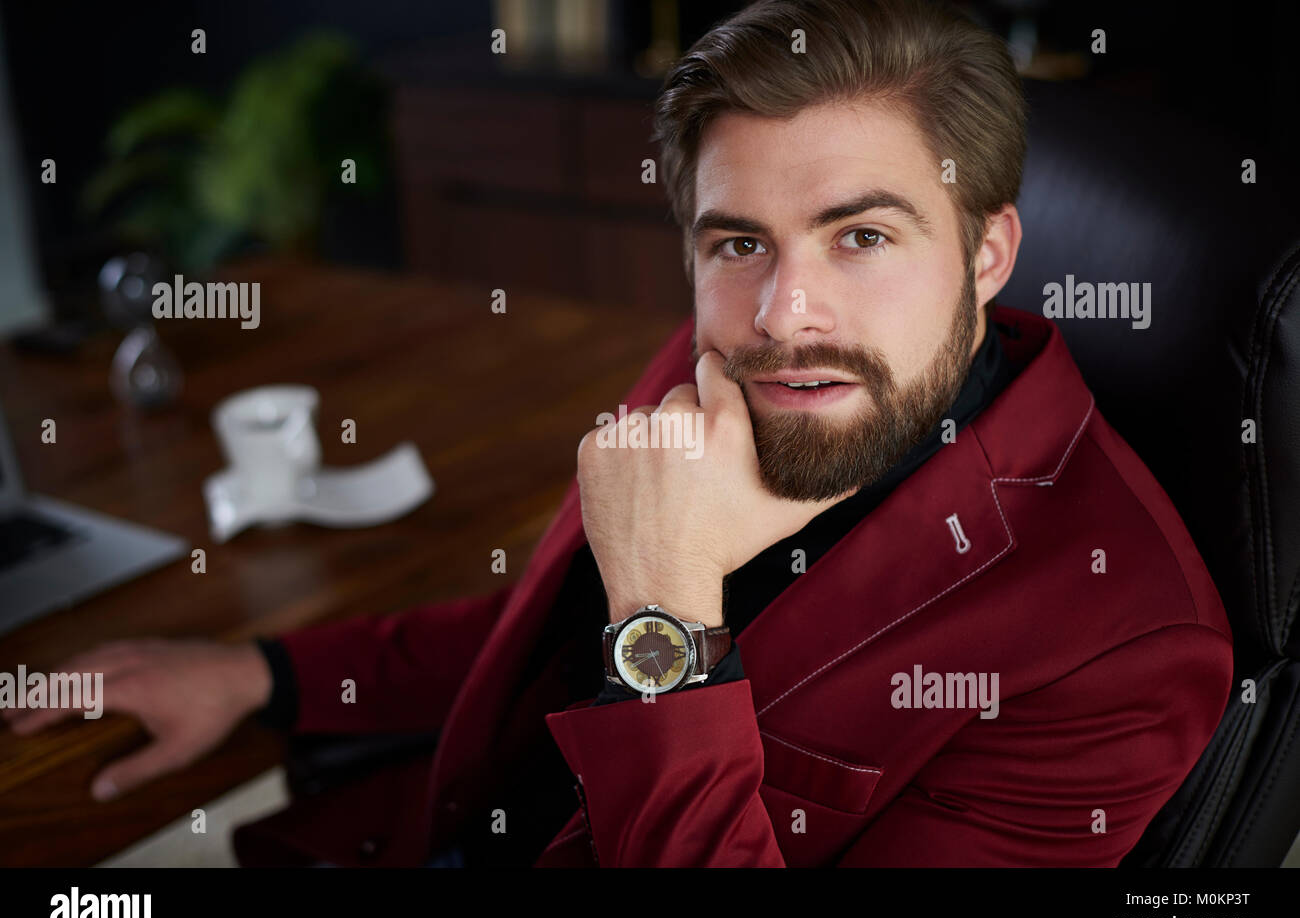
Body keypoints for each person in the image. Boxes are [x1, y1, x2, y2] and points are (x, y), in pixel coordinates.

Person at [2, 0, 1233, 866]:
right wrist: (266, 677)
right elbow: (538, 632)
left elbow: (633, 613)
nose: (782, 314)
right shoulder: (726, 366)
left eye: (861, 236)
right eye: (737, 242)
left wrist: (667, 621)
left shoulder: (1122, 651)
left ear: (987, 250)